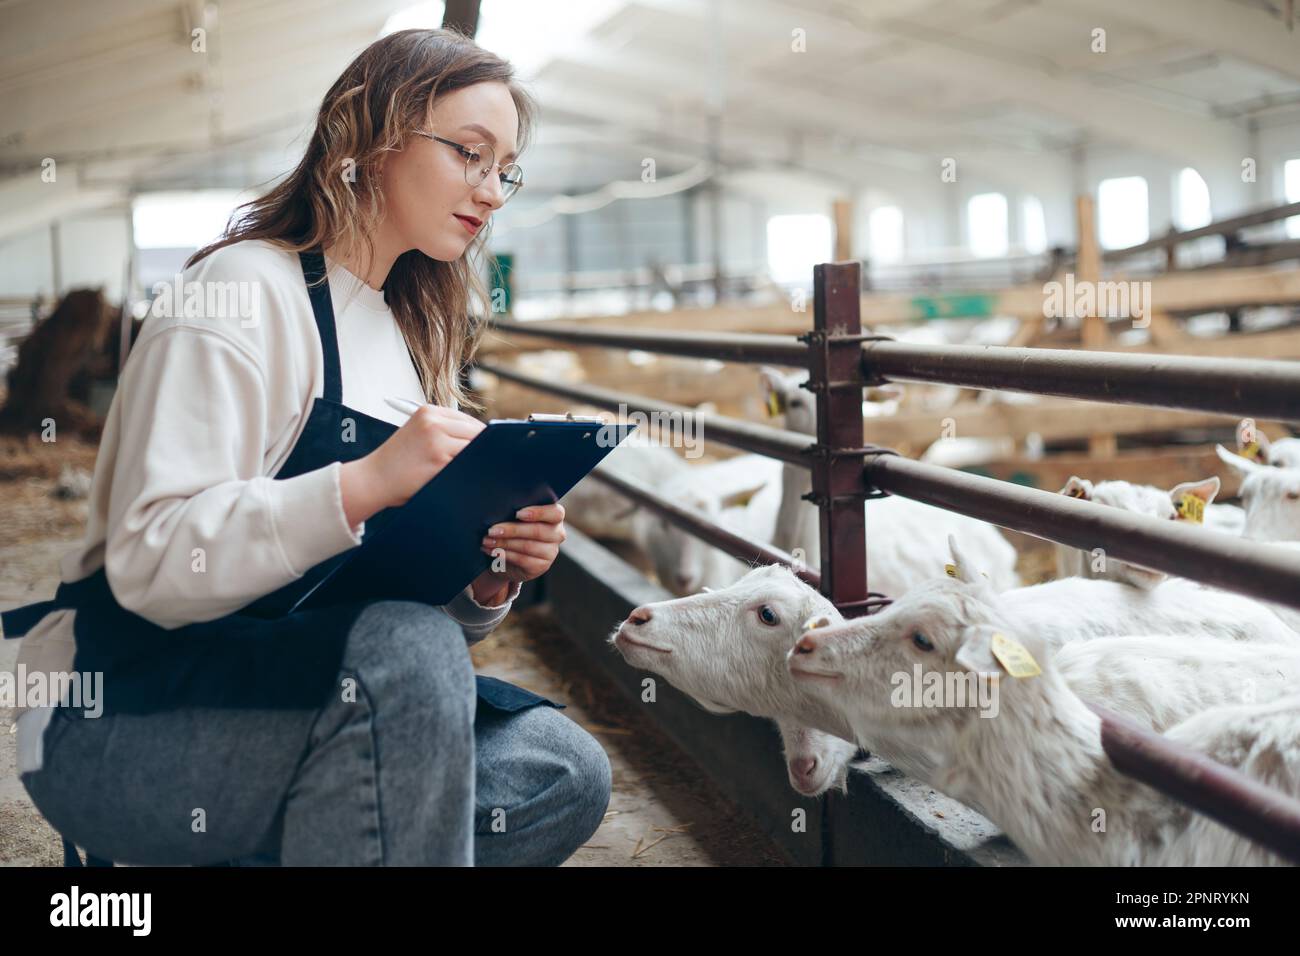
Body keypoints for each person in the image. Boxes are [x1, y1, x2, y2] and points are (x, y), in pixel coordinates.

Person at [2, 27, 611, 867]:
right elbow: (148, 565)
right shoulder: (241, 293)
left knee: (557, 769)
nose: (492, 190)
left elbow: (392, 628)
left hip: (296, 697)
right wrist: (363, 484)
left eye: (504, 168)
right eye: (470, 153)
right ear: (373, 134)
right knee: (411, 656)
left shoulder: (404, 340)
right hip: (130, 711)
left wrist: (486, 573)